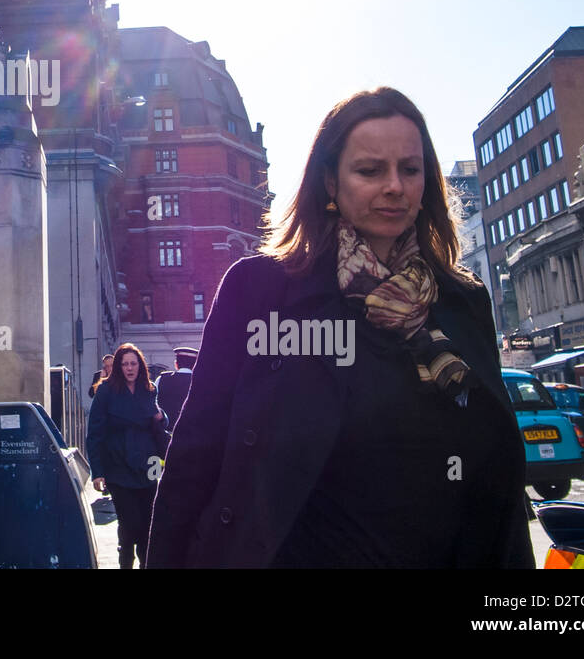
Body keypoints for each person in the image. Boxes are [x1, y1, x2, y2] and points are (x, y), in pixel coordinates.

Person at [147, 87, 534, 569]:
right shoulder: (260, 292)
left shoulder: (463, 301)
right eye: (370, 170)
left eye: (409, 169)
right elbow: (194, 459)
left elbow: (495, 485)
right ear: (330, 182)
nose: (394, 186)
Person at [88, 343, 171, 568]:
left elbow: (160, 422)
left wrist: (160, 416)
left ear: (140, 366)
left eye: (133, 363)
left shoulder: (149, 388)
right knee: (129, 524)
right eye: (124, 364)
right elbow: (95, 433)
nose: (129, 368)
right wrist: (97, 472)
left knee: (147, 526)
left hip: (149, 465)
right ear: (118, 367)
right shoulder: (106, 391)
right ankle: (126, 564)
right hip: (118, 466)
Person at [154, 347, 198, 433]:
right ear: (195, 365)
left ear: (176, 364)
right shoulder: (201, 382)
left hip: (165, 435)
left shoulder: (161, 379)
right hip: (192, 435)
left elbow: (153, 406)